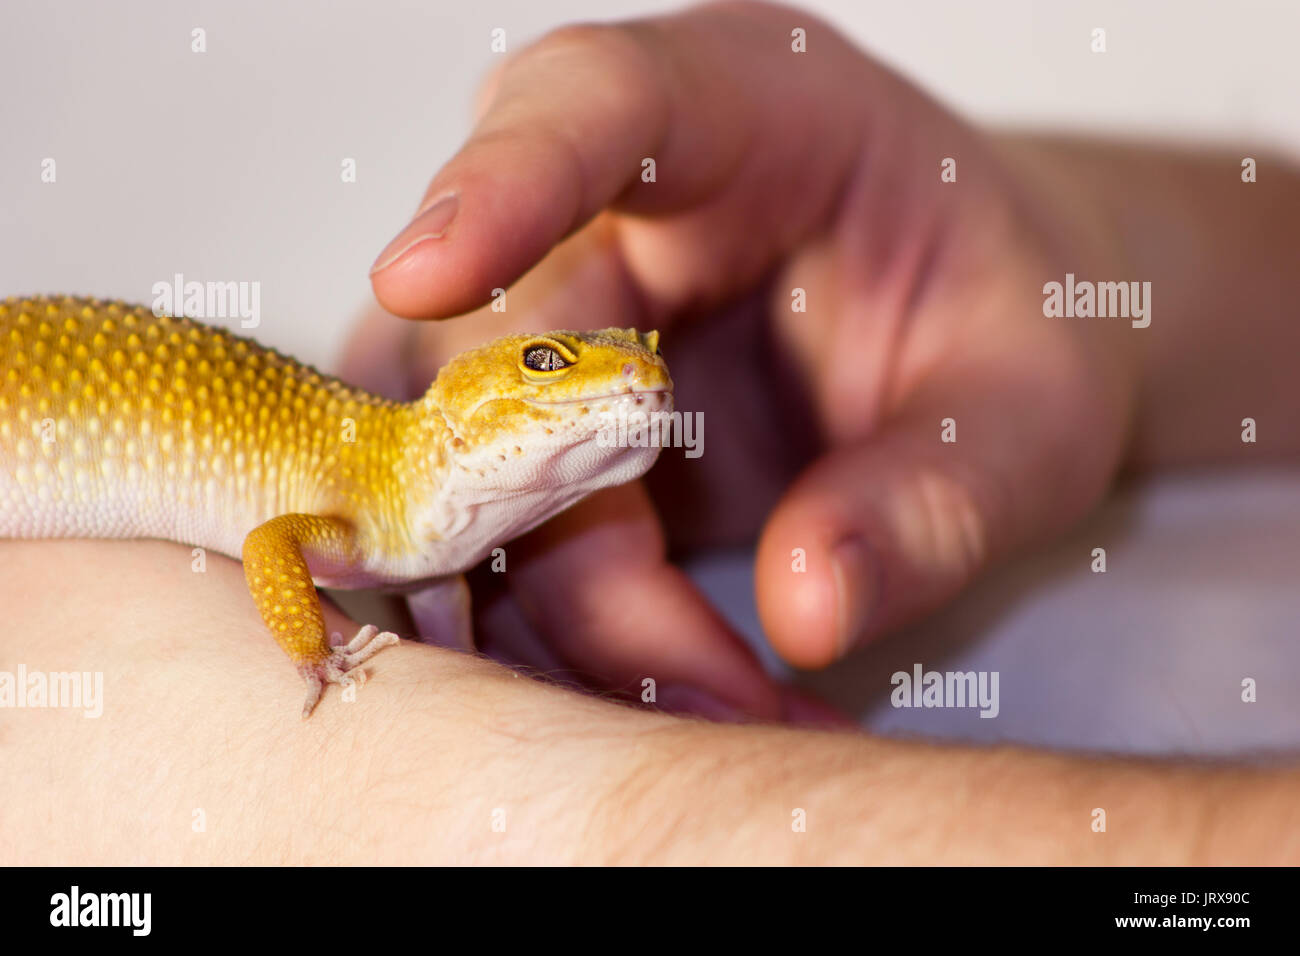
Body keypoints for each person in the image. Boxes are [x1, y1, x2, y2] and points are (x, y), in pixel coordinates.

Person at [5, 1, 1297, 863]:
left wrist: (439, 797)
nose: (622, 376)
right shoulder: (378, 493)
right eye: (561, 361)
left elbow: (438, 595)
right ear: (461, 404)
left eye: (631, 365)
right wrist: (323, 672)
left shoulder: (424, 524)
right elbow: (286, 543)